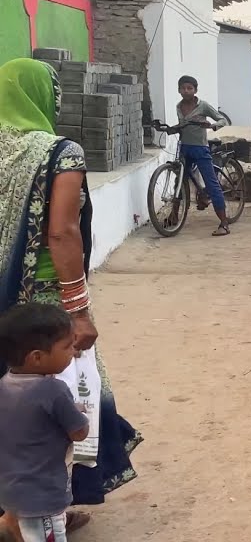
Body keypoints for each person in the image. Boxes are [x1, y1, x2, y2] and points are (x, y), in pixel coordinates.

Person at [0, 58, 141, 539]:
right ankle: (28, 516)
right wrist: (78, 311)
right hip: (42, 304)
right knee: (68, 402)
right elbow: (61, 233)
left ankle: (17, 511)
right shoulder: (60, 152)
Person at [0, 305, 89, 542]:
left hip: (12, 487)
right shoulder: (53, 390)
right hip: (43, 496)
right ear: (37, 357)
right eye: (68, 346)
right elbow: (79, 432)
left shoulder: (5, 383)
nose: (74, 351)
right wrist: (80, 412)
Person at [171, 75, 233, 236]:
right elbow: (183, 125)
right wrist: (174, 128)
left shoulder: (203, 105)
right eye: (183, 88)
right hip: (184, 148)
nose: (186, 91)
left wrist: (212, 125)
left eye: (189, 88)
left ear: (195, 90)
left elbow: (222, 119)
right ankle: (173, 216)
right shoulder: (179, 106)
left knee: (212, 184)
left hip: (200, 148)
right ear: (179, 90)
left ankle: (224, 223)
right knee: (179, 181)